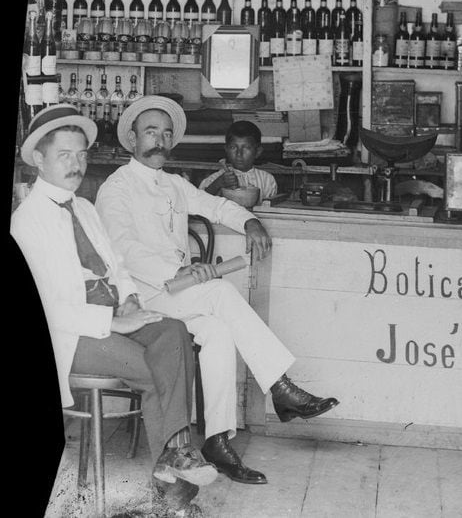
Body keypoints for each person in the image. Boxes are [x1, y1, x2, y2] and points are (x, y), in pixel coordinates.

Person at [95, 96, 339, 486]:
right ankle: (280, 386)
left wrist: (250, 222)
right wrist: (179, 268)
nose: (160, 139)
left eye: (167, 132)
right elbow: (123, 250)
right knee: (222, 294)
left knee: (220, 332)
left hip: (178, 292)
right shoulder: (116, 188)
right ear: (132, 139)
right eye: (151, 132)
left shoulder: (174, 184)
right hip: (143, 297)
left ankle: (217, 440)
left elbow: (218, 207)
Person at [10, 105, 217, 512]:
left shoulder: (83, 208)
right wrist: (115, 322)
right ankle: (174, 495)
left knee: (173, 333)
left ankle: (172, 464)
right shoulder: (25, 223)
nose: (76, 164)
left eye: (82, 154)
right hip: (71, 335)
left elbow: (117, 265)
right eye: (64, 155)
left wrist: (129, 298)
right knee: (161, 371)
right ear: (39, 158)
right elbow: (50, 309)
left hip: (114, 316)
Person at [199, 121, 277, 203]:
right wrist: (218, 184)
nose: (239, 154)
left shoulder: (267, 180)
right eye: (233, 147)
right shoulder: (214, 179)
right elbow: (198, 203)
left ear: (258, 152)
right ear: (226, 149)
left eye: (246, 147)